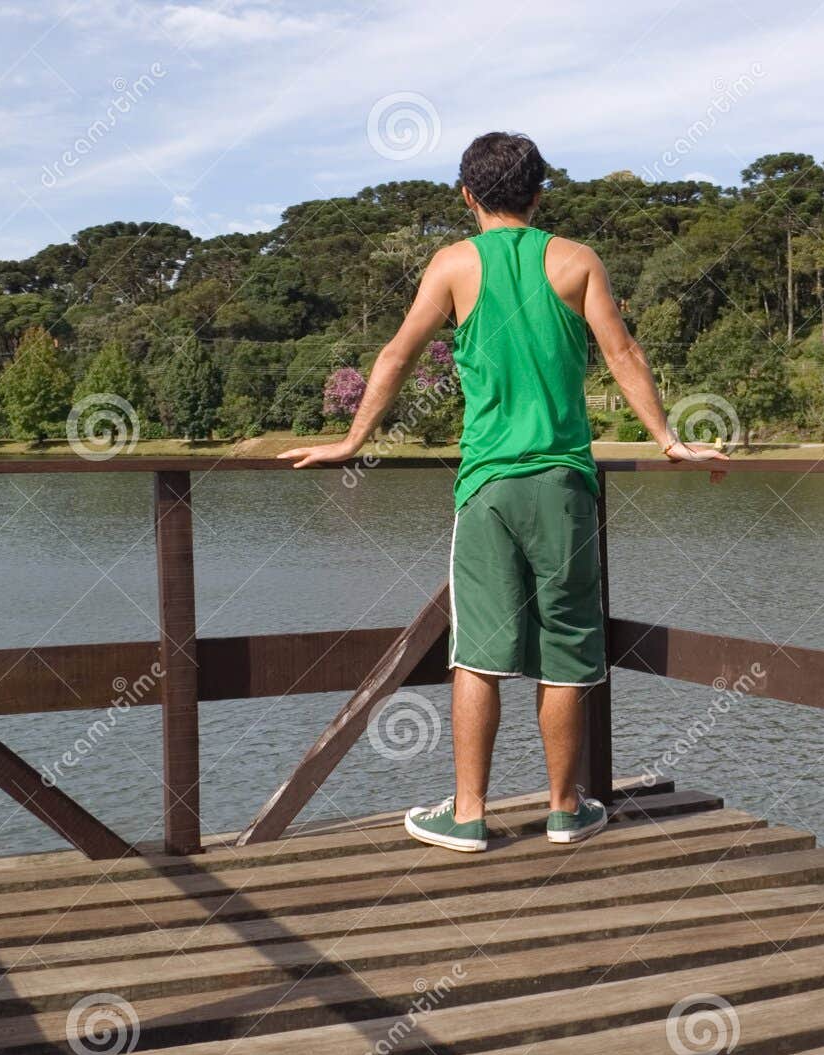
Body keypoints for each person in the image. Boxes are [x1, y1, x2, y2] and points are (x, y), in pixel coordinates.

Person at [279, 131, 727, 852]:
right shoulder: (577, 260)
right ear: (539, 193)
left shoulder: (454, 264)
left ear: (467, 195)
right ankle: (563, 810)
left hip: (487, 486)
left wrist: (351, 442)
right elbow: (623, 353)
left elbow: (396, 352)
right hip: (564, 488)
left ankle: (468, 816)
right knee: (568, 652)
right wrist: (667, 439)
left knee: (478, 655)